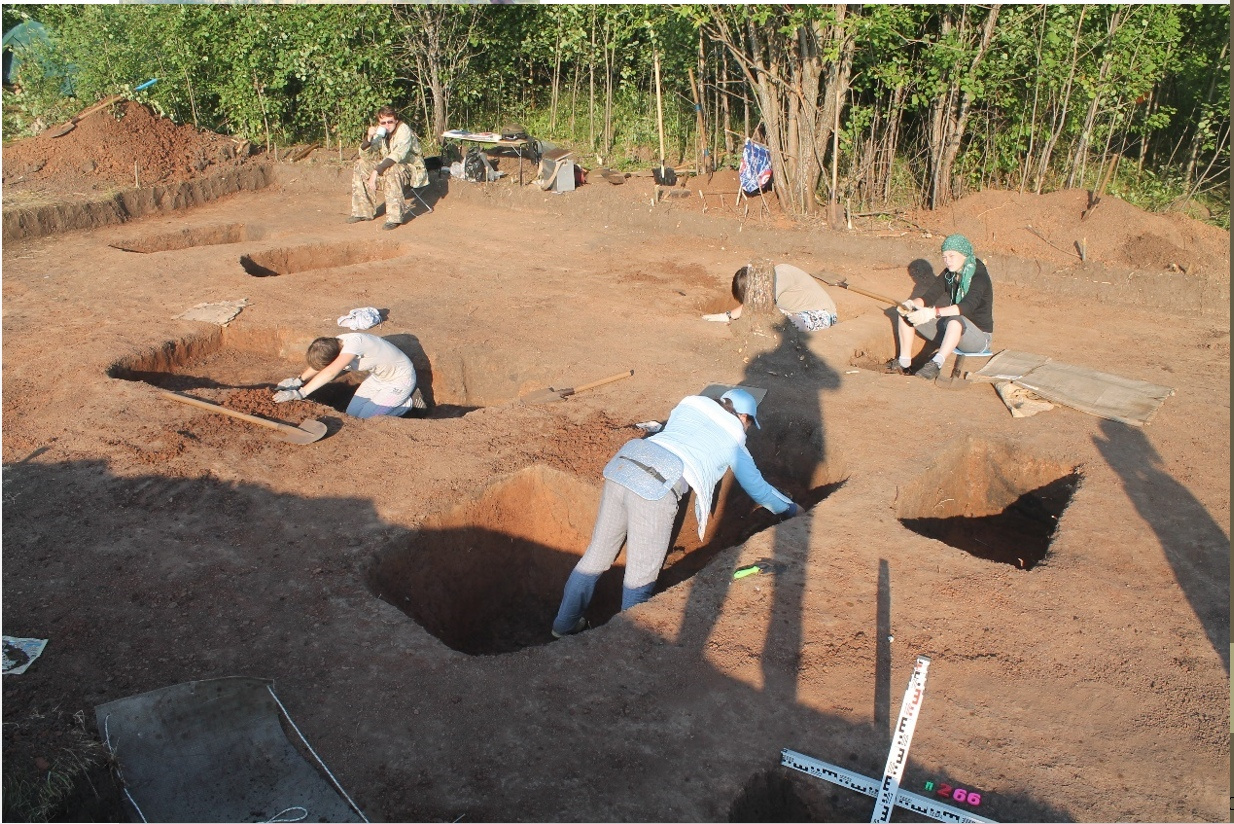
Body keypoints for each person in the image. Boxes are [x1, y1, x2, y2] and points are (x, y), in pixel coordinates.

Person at [550, 389, 800, 639]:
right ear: (743, 417)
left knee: (594, 558)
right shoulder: (734, 440)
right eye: (749, 423)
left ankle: (564, 625)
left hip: (623, 466)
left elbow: (667, 432)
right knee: (640, 580)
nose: (747, 429)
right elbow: (758, 488)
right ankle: (628, 644)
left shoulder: (690, 407)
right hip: (656, 488)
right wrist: (791, 509)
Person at [885, 234, 994, 381]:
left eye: (951, 256)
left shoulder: (979, 276)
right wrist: (912, 304)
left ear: (964, 255)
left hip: (978, 338)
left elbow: (966, 307)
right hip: (951, 329)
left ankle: (936, 364)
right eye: (944, 257)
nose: (947, 261)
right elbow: (929, 296)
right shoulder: (949, 274)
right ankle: (904, 362)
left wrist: (932, 313)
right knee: (906, 312)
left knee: (955, 320)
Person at [273, 333, 418, 418]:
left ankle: (408, 403)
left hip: (400, 380)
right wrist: (298, 380)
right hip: (378, 378)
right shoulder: (332, 345)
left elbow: (330, 372)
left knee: (368, 418)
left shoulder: (352, 346)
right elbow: (322, 363)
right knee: (352, 414)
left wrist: (301, 392)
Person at [348, 106, 429, 230]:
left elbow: (398, 155)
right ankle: (362, 212)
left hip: (412, 170)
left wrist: (376, 171)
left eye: (390, 121)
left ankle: (394, 218)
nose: (387, 125)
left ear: (396, 120)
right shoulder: (382, 133)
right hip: (391, 167)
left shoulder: (404, 130)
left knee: (393, 168)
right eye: (383, 122)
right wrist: (369, 138)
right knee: (361, 164)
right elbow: (366, 155)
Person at [702, 262, 839, 332]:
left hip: (824, 316)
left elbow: (757, 307)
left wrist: (726, 316)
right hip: (798, 315)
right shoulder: (769, 278)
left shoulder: (779, 277)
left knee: (776, 318)